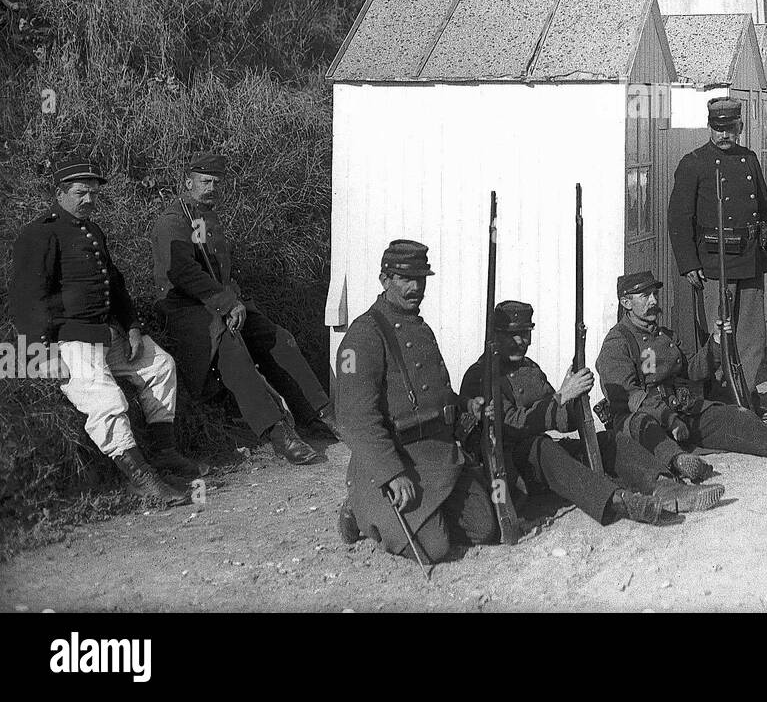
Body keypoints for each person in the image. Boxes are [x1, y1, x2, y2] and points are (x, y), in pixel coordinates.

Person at [10, 156, 205, 507]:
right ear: (60, 193)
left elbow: (115, 285)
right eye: (81, 193)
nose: (89, 200)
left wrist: (131, 327)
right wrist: (40, 354)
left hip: (105, 334)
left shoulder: (93, 231)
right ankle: (143, 480)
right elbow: (27, 299)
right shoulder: (41, 233)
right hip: (69, 340)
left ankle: (164, 454)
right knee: (106, 401)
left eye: (93, 193)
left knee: (160, 366)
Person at [460, 301, 723, 525]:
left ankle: (666, 487)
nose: (522, 342)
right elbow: (512, 424)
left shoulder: (530, 369)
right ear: (496, 335)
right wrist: (561, 396)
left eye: (526, 333)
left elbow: (562, 421)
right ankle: (622, 502)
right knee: (542, 447)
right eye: (513, 335)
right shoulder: (481, 375)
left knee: (609, 441)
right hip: (512, 469)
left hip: (544, 460)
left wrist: (576, 402)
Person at [150, 152, 335, 465]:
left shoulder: (208, 218)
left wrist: (235, 301)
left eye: (216, 183)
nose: (211, 187)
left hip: (219, 304)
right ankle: (278, 433)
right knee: (231, 347)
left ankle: (316, 413)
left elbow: (221, 272)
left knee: (276, 337)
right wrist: (226, 304)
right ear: (188, 182)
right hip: (186, 309)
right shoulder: (174, 221)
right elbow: (182, 272)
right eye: (205, 181)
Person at [334, 240, 498, 567]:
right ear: (384, 280)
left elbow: (431, 395)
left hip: (437, 454)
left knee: (484, 528)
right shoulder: (363, 335)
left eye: (420, 279)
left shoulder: (419, 327)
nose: (415, 287)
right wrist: (391, 474)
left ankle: (418, 512)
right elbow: (354, 419)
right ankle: (360, 508)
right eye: (404, 279)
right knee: (433, 550)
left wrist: (467, 405)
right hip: (396, 457)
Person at [595, 271, 767, 478]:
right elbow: (630, 396)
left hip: (677, 409)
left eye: (655, 294)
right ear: (626, 303)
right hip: (640, 418)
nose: (653, 300)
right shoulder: (618, 342)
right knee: (647, 428)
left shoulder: (665, 335)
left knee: (732, 417)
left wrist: (715, 341)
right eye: (644, 296)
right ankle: (680, 464)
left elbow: (694, 370)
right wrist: (668, 419)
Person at [667, 96, 767, 409]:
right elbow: (678, 217)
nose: (723, 135)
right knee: (718, 332)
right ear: (710, 126)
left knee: (751, 335)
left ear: (740, 126)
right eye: (717, 128)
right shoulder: (694, 162)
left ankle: (743, 394)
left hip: (750, 258)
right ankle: (717, 398)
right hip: (713, 262)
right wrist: (688, 262)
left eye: (729, 128)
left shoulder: (749, 158)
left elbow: (764, 206)